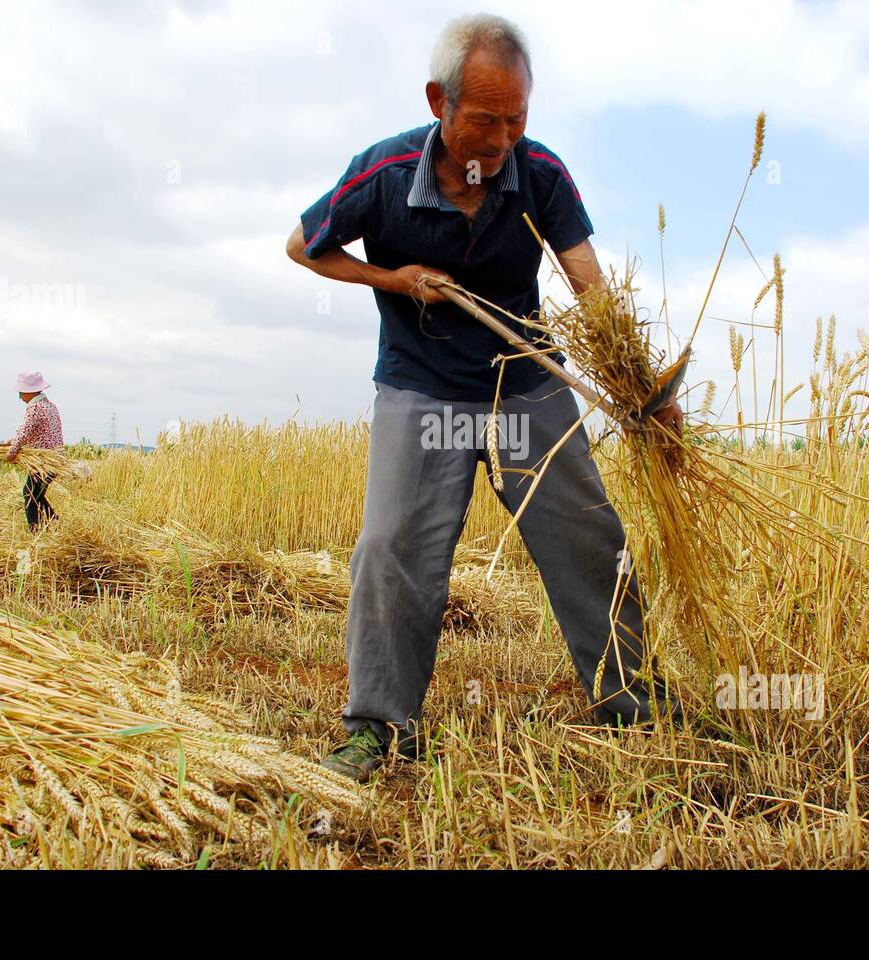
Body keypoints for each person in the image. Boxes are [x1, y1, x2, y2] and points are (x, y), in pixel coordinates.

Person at [287, 14, 682, 782]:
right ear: (439, 101)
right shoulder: (382, 173)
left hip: (524, 382)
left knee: (589, 539)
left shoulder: (540, 175)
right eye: (483, 120)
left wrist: (645, 391)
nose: (501, 139)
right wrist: (392, 279)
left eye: (517, 119)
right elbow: (304, 245)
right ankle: (379, 728)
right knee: (392, 548)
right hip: (422, 386)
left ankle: (634, 703)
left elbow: (588, 286)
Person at [5, 371, 64, 531]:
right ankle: (56, 525)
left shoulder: (35, 408)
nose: (19, 396)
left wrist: (11, 453)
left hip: (43, 461)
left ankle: (35, 530)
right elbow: (33, 432)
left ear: (30, 391)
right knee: (36, 494)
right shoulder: (50, 406)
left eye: (21, 392)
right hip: (54, 460)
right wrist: (11, 442)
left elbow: (23, 434)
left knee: (30, 494)